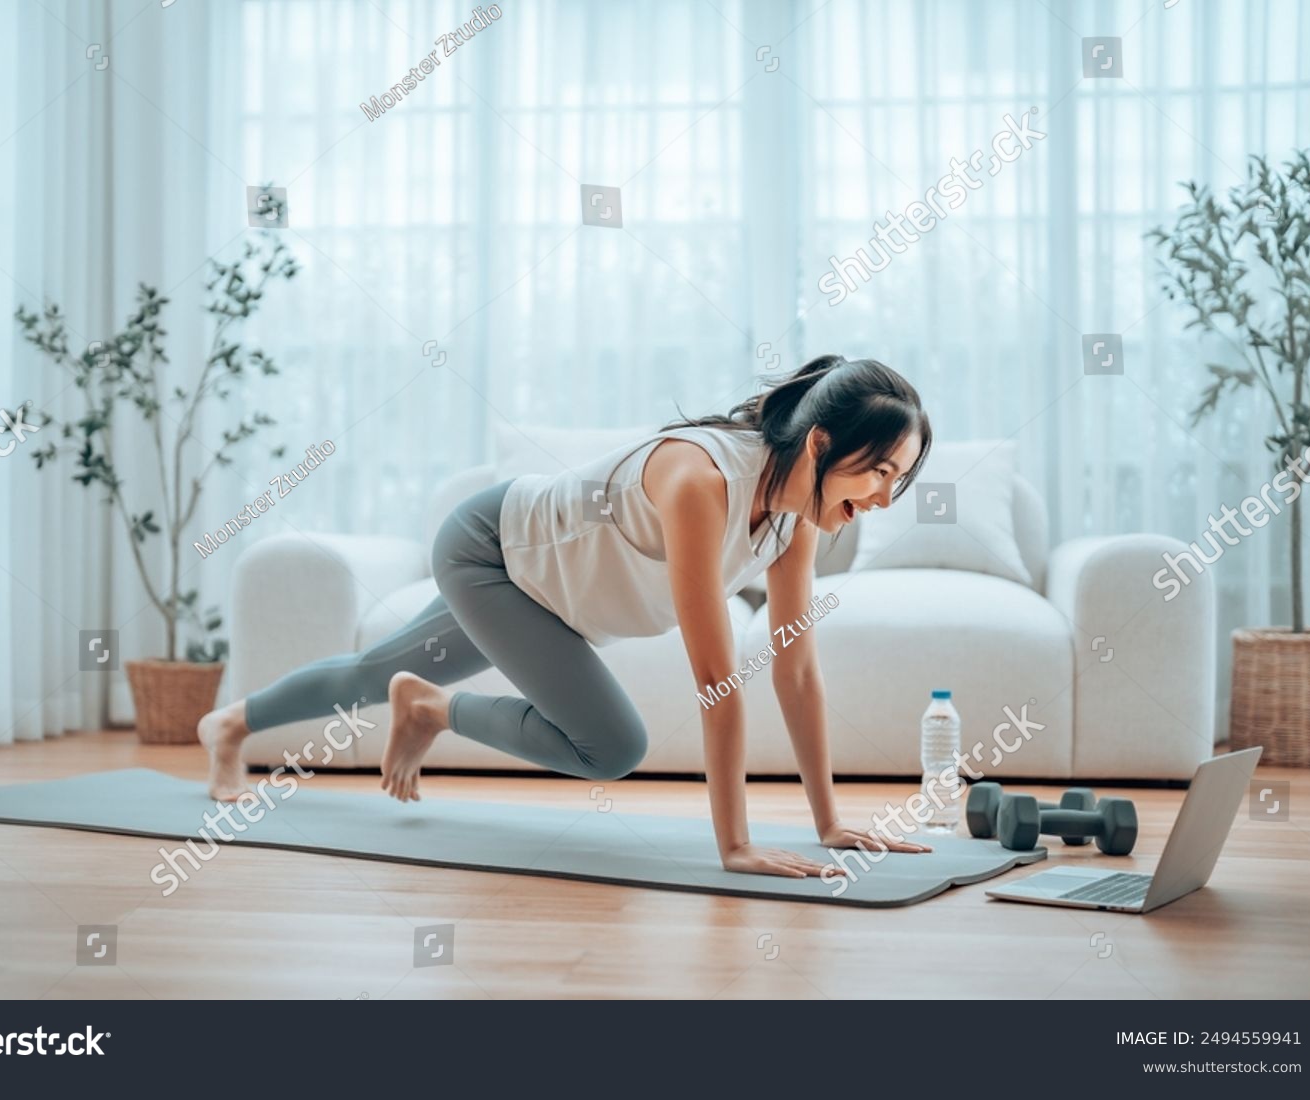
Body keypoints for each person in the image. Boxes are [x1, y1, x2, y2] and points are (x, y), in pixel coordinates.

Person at [199, 354, 935, 878]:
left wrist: (829, 824)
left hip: (543, 592)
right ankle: (427, 708)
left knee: (374, 670)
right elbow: (718, 681)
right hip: (491, 551)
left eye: (897, 480)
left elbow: (796, 673)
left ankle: (232, 724)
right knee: (612, 746)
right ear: (820, 442)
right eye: (879, 472)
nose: (882, 499)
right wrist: (734, 846)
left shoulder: (794, 520)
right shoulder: (701, 481)